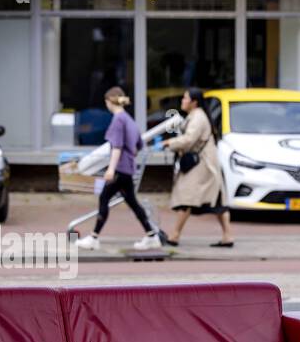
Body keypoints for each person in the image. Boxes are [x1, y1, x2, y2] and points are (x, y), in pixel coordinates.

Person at [75, 87, 159, 251]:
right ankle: (151, 236)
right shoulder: (129, 119)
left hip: (120, 169)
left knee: (104, 198)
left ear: (109, 101)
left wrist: (111, 169)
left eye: (106, 102)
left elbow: (116, 147)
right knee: (133, 203)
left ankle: (93, 238)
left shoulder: (118, 120)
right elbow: (138, 146)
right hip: (127, 168)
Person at [161, 87, 233, 248]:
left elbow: (189, 139)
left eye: (185, 98)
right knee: (217, 201)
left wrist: (169, 143)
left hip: (202, 165)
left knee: (187, 198)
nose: (182, 101)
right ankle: (228, 236)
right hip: (205, 164)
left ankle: (174, 235)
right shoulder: (196, 116)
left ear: (194, 102)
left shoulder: (198, 118)